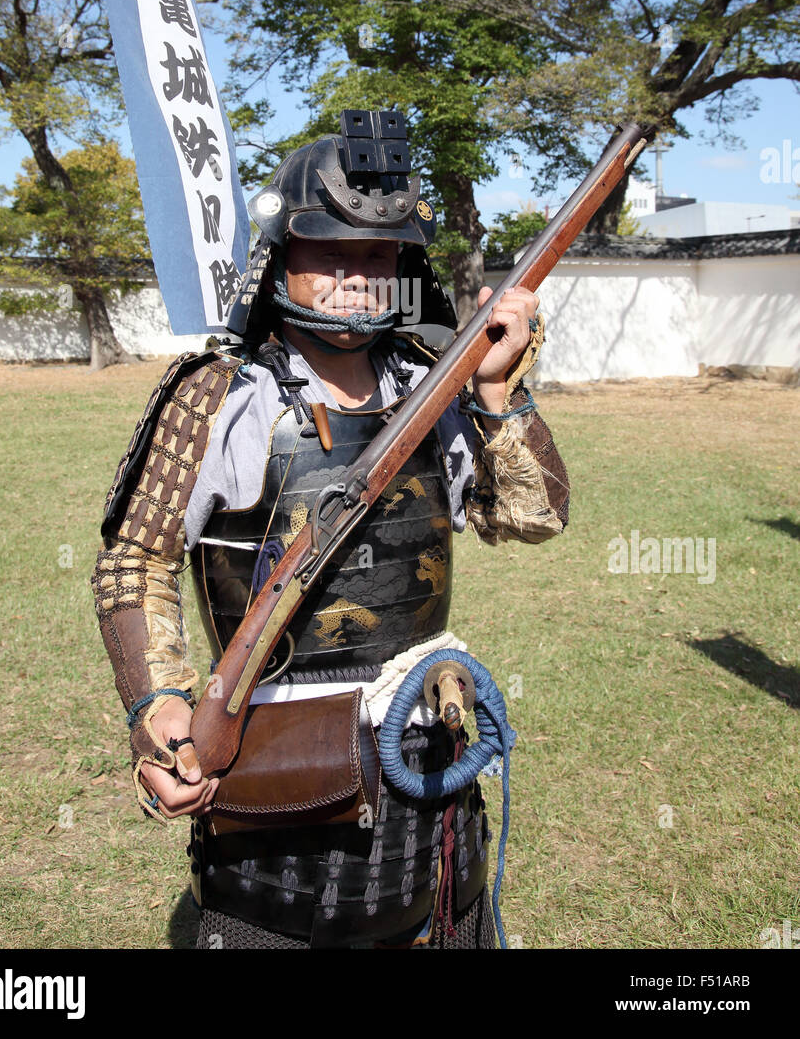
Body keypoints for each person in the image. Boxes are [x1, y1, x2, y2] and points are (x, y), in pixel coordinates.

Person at [92, 111, 569, 949]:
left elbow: (532, 516)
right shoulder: (218, 394)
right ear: (283, 255)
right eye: (332, 255)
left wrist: (496, 393)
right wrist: (157, 707)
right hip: (276, 761)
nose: (357, 277)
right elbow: (135, 563)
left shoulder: (436, 385)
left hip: (425, 745)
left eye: (378, 258)